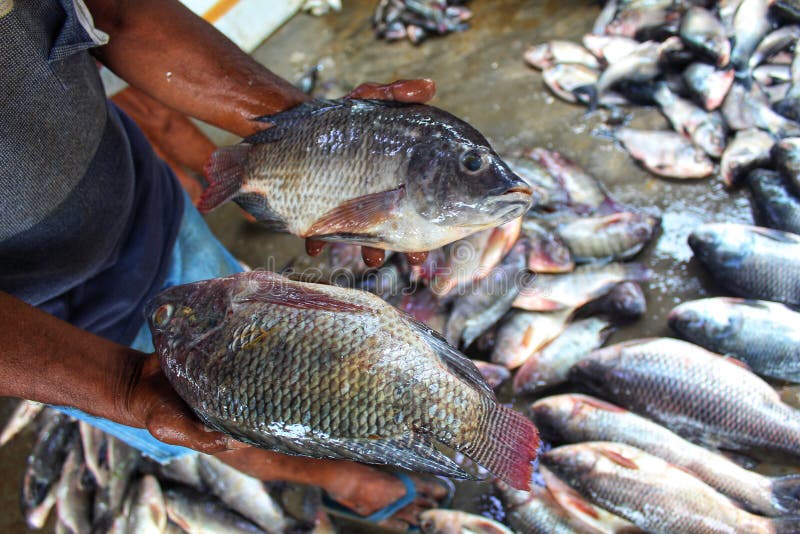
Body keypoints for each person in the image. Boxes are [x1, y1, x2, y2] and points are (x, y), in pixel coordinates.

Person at [0, 0, 443, 529]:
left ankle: (339, 446)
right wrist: (121, 387)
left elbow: (117, 14)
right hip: (63, 326)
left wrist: (320, 133)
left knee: (294, 357)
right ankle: (337, 480)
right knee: (213, 424)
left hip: (151, 206)